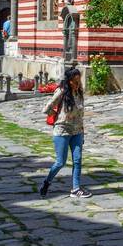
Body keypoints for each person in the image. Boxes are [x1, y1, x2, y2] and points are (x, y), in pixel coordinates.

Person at [39, 67, 89, 198]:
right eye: (75, 80)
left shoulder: (79, 92)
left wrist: (82, 132)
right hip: (62, 130)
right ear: (69, 81)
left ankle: (76, 189)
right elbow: (46, 108)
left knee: (77, 160)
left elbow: (80, 114)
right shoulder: (61, 92)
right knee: (60, 162)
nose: (78, 83)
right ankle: (47, 181)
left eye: (79, 80)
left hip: (77, 131)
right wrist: (56, 115)